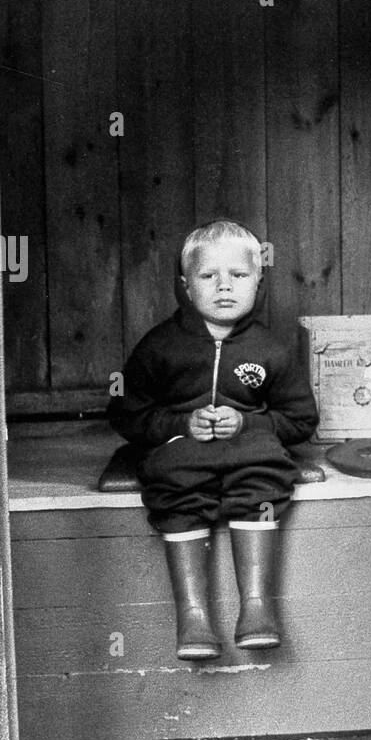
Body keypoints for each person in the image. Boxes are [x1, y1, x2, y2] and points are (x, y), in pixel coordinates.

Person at [108, 220, 318, 662]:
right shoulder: (159, 347)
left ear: (259, 282)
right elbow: (126, 411)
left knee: (264, 479)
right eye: (208, 277)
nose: (225, 288)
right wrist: (180, 423)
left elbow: (300, 418)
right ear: (185, 286)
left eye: (239, 276)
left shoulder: (271, 349)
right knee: (175, 490)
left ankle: (257, 606)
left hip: (249, 454)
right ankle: (194, 614)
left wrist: (249, 425)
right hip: (182, 454)